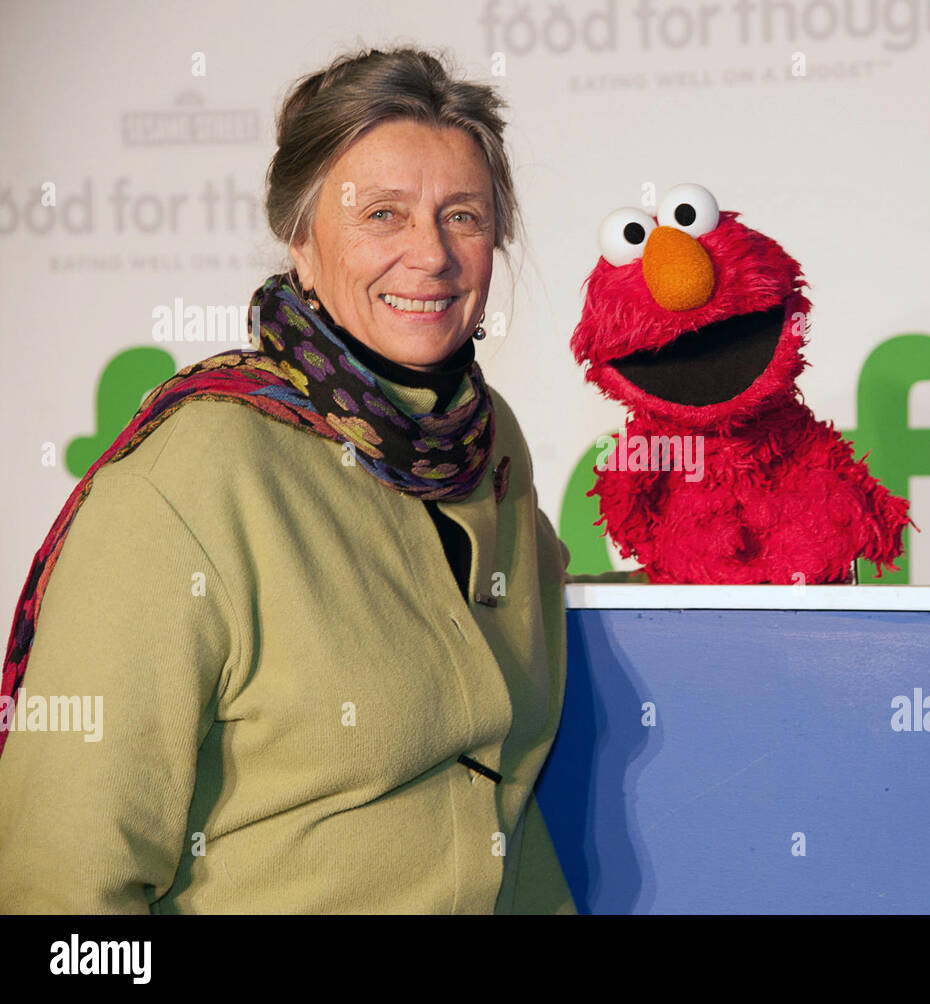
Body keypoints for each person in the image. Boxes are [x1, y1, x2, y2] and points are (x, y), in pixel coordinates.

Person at [0, 46, 577, 914]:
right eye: (383, 214)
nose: (430, 256)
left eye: (461, 215)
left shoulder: (489, 448)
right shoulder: (191, 477)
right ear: (301, 239)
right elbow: (61, 885)